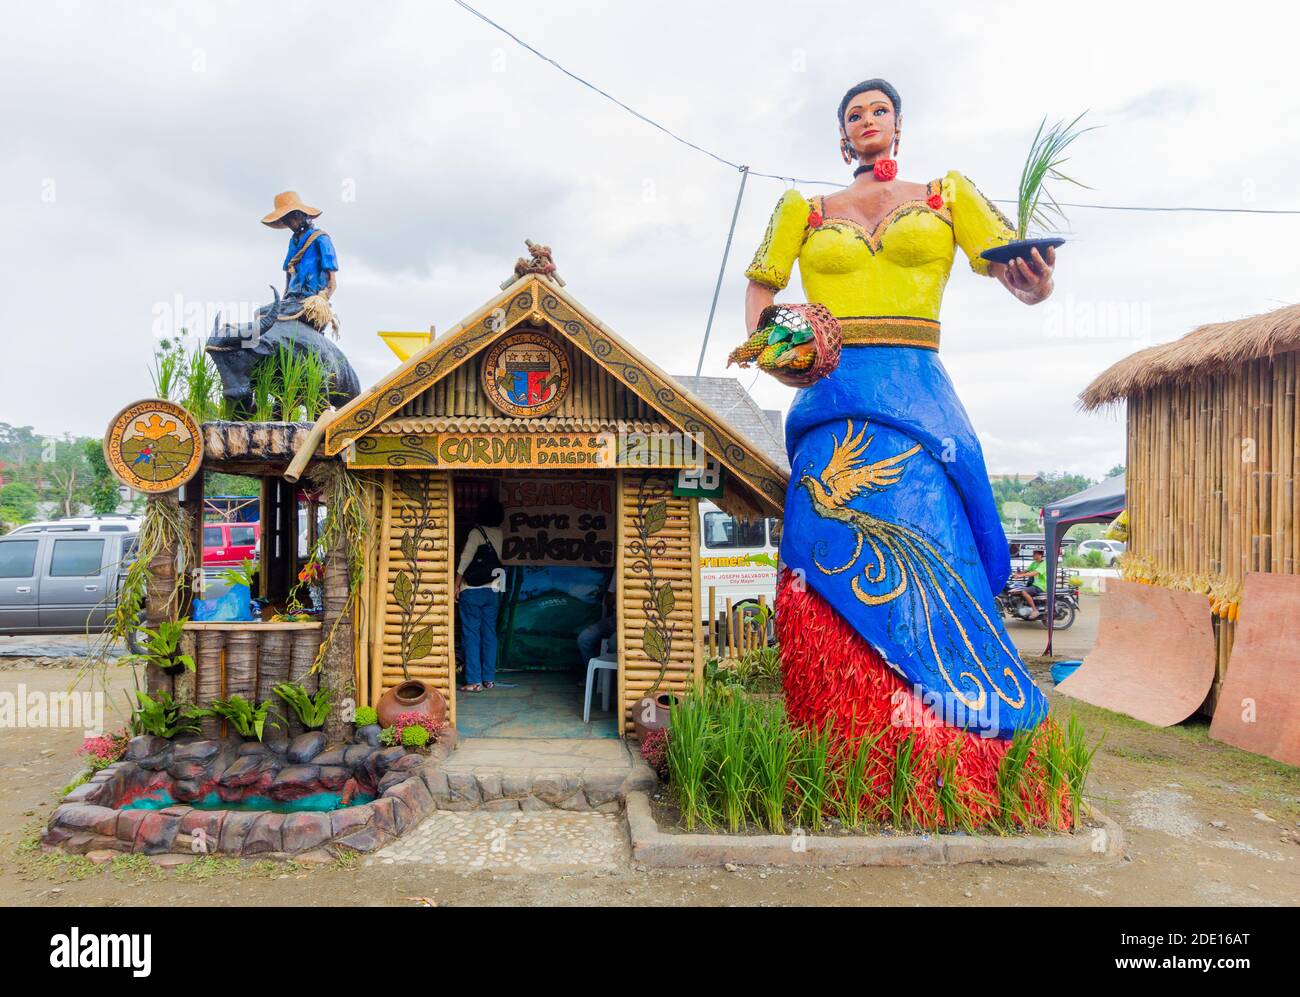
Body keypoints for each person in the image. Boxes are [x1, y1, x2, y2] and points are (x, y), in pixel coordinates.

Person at [740, 78, 1062, 824]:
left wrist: (1037, 285)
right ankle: (841, 746)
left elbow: (1016, 274)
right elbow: (759, 288)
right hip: (832, 396)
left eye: (878, 109)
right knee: (822, 546)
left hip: (920, 395)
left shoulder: (948, 196)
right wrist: (775, 350)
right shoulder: (804, 210)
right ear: (842, 137)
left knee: (940, 545)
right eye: (853, 115)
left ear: (898, 123)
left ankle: (956, 760)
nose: (866, 120)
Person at [260, 191, 339, 334]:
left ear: (299, 215)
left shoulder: (321, 239)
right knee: (260, 314)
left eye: (289, 218)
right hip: (292, 300)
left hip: (310, 301)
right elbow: (289, 273)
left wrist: (322, 298)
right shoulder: (293, 241)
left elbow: (332, 283)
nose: (288, 223)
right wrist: (282, 300)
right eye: (285, 220)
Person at [454, 499, 505, 692]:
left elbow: (465, 559)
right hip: (493, 590)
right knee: (489, 634)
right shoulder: (500, 534)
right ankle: (489, 678)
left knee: (471, 634)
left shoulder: (476, 533)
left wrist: (456, 584)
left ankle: (474, 681)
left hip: (472, 590)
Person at [1010, 549, 1049, 619]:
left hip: (1040, 585)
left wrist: (1021, 576)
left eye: (1034, 554)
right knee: (1018, 588)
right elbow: (1026, 571)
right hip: (1034, 584)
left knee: (1024, 592)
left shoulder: (1044, 564)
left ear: (1040, 555)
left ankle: (1034, 610)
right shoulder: (1034, 563)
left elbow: (1034, 573)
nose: (1032, 555)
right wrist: (1016, 574)